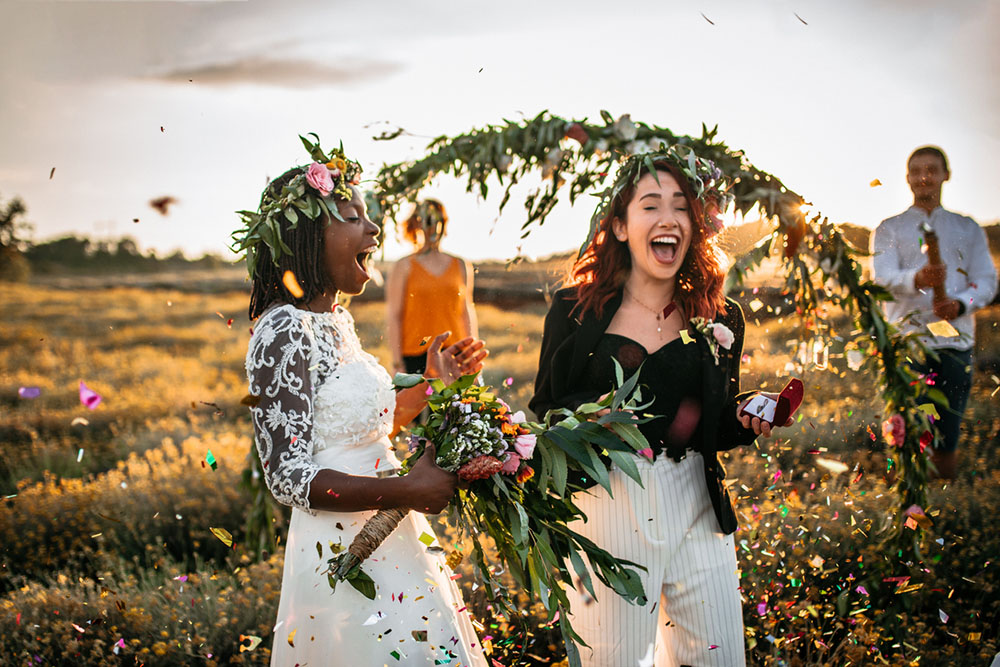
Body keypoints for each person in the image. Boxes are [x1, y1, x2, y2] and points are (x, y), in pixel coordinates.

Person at [530, 148, 791, 667]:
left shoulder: (721, 317)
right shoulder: (574, 311)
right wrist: (593, 420)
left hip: (695, 500)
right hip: (606, 505)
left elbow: (713, 421)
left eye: (680, 206)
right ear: (622, 227)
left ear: (695, 227)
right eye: (650, 205)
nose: (668, 217)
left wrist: (744, 416)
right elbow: (546, 413)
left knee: (718, 657)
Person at [235, 136, 489, 666]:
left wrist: (436, 385)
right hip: (339, 547)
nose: (373, 229)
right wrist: (406, 487)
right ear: (307, 235)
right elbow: (288, 477)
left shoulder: (337, 321)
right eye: (353, 217)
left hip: (392, 534)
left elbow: (368, 426)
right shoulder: (281, 330)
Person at [871, 146, 997, 480]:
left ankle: (944, 500)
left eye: (931, 169)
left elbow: (985, 280)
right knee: (908, 424)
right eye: (917, 171)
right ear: (908, 178)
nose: (924, 177)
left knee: (948, 423)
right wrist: (916, 278)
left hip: (954, 341)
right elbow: (881, 279)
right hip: (906, 342)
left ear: (945, 175)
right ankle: (910, 498)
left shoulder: (967, 228)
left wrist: (959, 304)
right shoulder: (889, 229)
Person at [387, 199, 478, 375]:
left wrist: (472, 355)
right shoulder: (404, 266)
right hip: (415, 355)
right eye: (427, 220)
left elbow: (466, 312)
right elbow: (394, 315)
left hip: (455, 355)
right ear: (417, 224)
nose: (433, 226)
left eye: (438, 220)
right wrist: (397, 363)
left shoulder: (460, 264)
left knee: (460, 403)